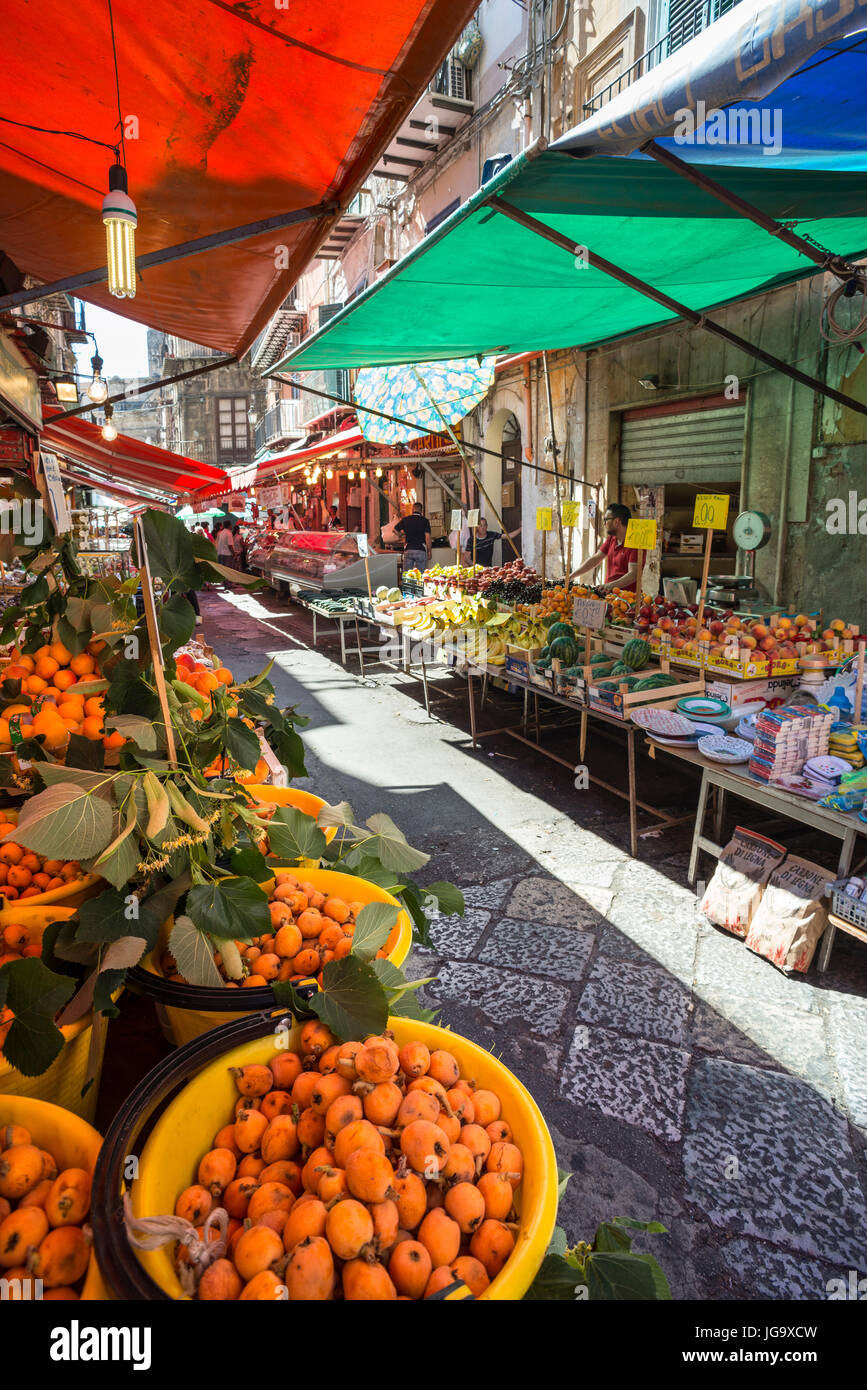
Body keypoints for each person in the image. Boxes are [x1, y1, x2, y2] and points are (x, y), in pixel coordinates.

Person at [569, 502, 638, 594]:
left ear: (616, 521)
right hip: (610, 595)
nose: (604, 524)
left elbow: (633, 574)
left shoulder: (635, 543)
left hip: (627, 599)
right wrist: (570, 576)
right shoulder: (612, 539)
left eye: (606, 520)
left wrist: (609, 586)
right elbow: (595, 559)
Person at [394, 501, 431, 574]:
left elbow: (394, 530)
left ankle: (407, 585)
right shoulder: (425, 521)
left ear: (412, 509)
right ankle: (419, 585)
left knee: (407, 575)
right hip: (420, 550)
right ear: (421, 511)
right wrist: (429, 551)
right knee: (420, 575)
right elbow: (427, 537)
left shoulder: (405, 519)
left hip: (408, 550)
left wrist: (401, 535)